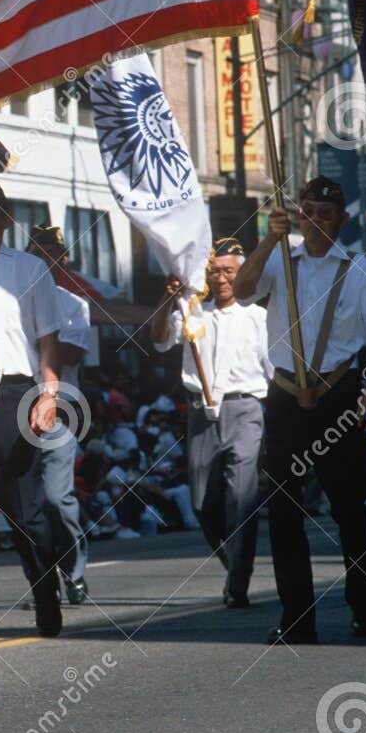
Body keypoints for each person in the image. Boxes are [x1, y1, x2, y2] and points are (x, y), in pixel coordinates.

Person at [234, 177, 366, 643]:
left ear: (341, 220)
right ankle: (296, 619)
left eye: (323, 213)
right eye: (306, 211)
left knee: (350, 508)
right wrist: (269, 236)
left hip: (340, 396)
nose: (313, 220)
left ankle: (363, 605)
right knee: (285, 511)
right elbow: (242, 289)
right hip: (286, 397)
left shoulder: (358, 267)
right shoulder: (280, 263)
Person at [0, 182, 66, 639]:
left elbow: (47, 339)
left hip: (13, 395)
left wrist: (50, 394)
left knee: (25, 513)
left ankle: (45, 589)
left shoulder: (30, 269)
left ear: (5, 220)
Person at [150, 237, 272, 609]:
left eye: (229, 271)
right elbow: (158, 341)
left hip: (245, 409)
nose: (221, 278)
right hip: (202, 413)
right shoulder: (190, 312)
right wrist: (167, 299)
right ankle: (233, 562)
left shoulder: (259, 317)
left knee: (241, 497)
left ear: (242, 273)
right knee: (203, 503)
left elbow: (272, 371)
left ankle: (238, 584)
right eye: (214, 271)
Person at [26, 225, 93, 605]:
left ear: (61, 259)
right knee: (27, 504)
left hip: (57, 408)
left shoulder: (73, 304)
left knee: (56, 497)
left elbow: (71, 354)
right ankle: (43, 580)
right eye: (35, 252)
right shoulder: (12, 300)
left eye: (49, 253)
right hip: (15, 406)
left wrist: (39, 334)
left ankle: (75, 569)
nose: (41, 259)